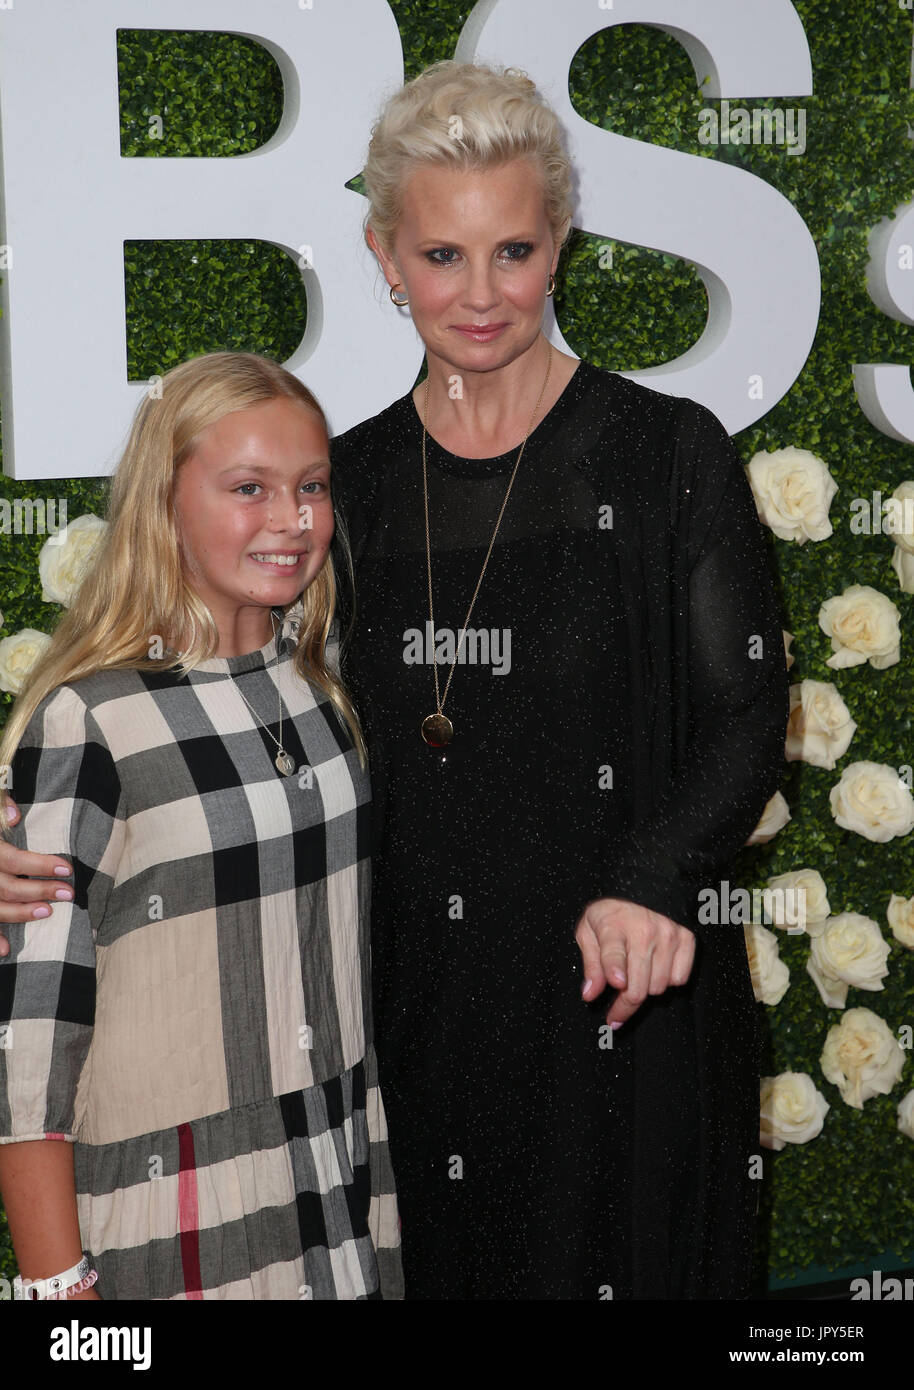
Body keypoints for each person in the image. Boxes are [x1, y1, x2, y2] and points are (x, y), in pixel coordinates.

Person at [0, 61, 788, 1300]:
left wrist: (649, 879)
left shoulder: (662, 453)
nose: (478, 296)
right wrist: (26, 823)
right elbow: (192, 687)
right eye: (439, 257)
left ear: (559, 246)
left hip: (625, 1009)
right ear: (383, 254)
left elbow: (745, 713)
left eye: (513, 251)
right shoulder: (341, 485)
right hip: (411, 1037)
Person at [0, 352, 402, 1300]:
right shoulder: (91, 718)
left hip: (336, 1191)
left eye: (311, 487)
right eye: (248, 488)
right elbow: (27, 1046)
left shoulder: (324, 690)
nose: (292, 520)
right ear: (164, 501)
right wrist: (60, 1291)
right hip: (169, 1223)